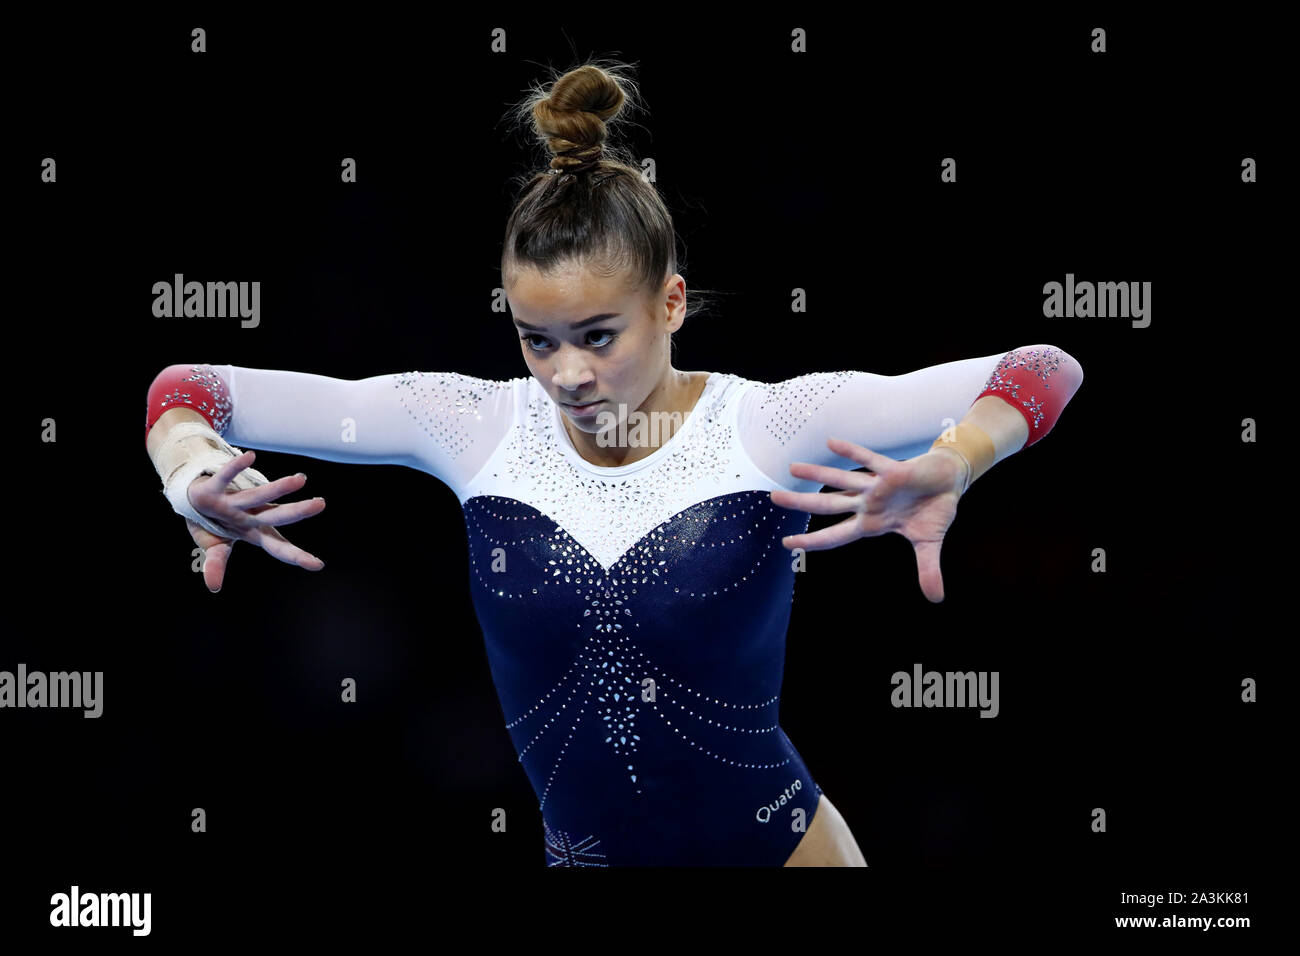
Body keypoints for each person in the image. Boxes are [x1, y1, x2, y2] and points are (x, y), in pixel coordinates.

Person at [143, 60, 1083, 866]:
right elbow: (189, 389)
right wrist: (189, 475)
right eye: (538, 341)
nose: (570, 375)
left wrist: (956, 460)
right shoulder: (472, 426)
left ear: (671, 303)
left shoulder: (769, 423)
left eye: (598, 335)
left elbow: (1041, 368)